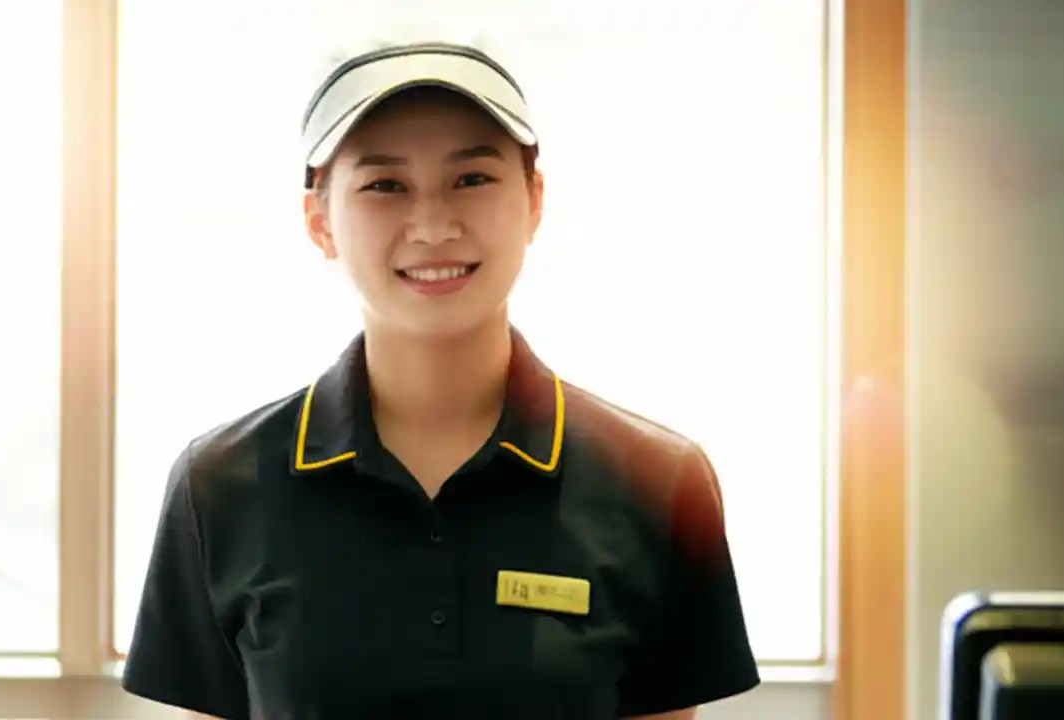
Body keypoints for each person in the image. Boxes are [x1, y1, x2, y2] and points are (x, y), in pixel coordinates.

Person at [121, 34, 760, 720]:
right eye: (385, 185)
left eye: (472, 179)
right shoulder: (219, 485)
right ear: (319, 220)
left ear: (534, 200)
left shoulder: (660, 482)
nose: (431, 226)